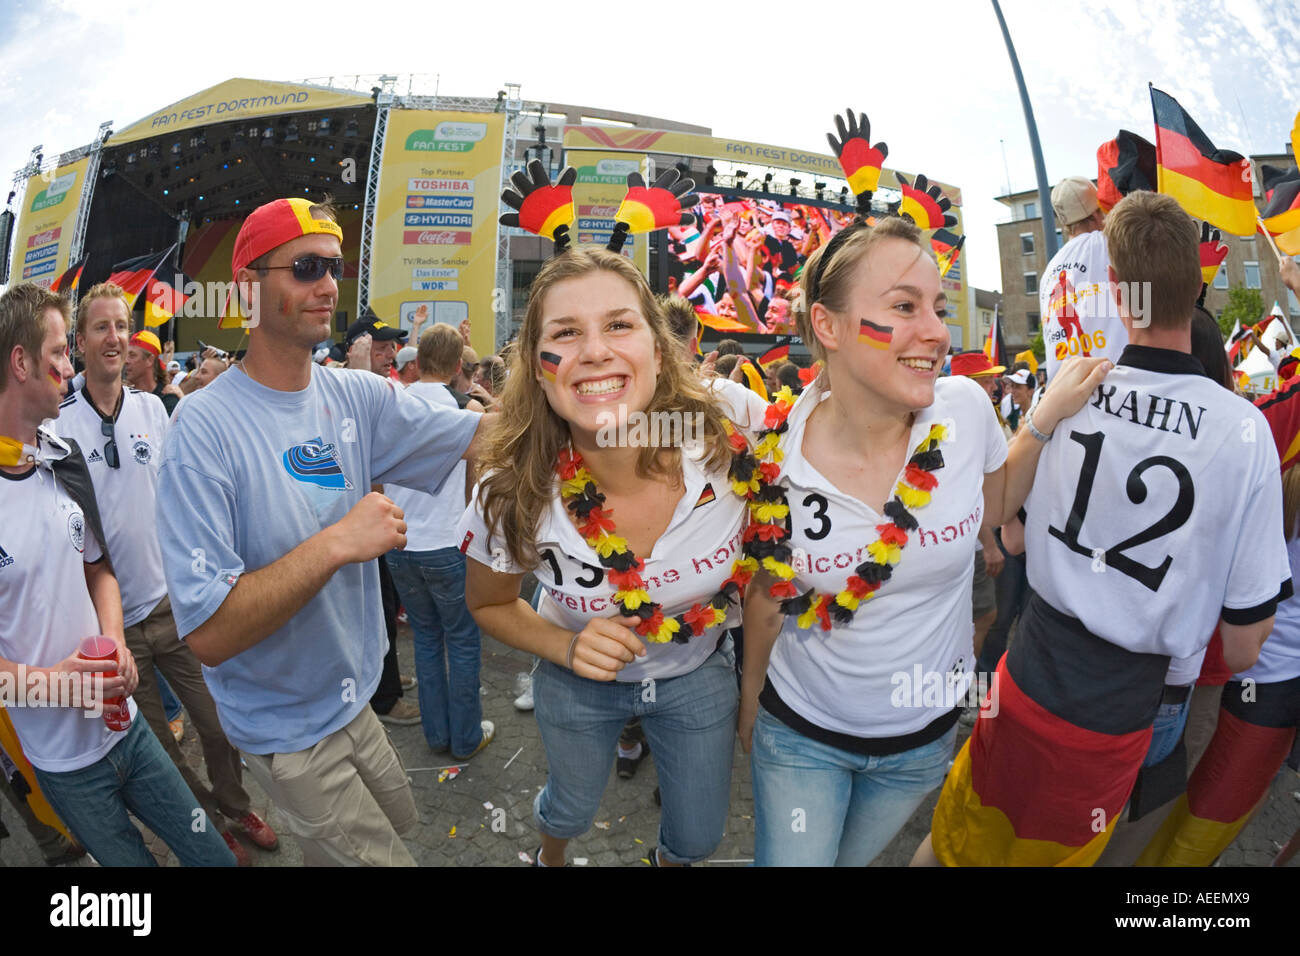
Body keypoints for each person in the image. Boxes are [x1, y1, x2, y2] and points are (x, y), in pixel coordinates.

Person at [920, 190, 1291, 867]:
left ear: (1116, 291)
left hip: (1030, 669)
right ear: (1200, 282)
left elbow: (1009, 534)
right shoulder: (1244, 433)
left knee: (957, 841)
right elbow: (1243, 649)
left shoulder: (1069, 391)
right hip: (1126, 704)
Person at [737, 215, 1106, 867]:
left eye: (937, 308)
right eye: (904, 307)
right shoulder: (775, 461)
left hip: (921, 746)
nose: (937, 332)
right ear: (828, 326)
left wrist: (1043, 417)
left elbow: (997, 507)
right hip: (800, 738)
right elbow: (766, 599)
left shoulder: (963, 407)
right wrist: (748, 710)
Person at [156, 197, 488, 866]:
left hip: (354, 697)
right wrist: (338, 541)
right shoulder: (201, 430)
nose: (328, 285)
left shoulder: (353, 395)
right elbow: (211, 634)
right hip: (284, 731)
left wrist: (595, 409)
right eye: (305, 267)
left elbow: (482, 437)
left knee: (396, 823)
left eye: (333, 267)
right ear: (249, 288)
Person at [461, 247, 759, 867]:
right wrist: (567, 647)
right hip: (574, 685)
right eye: (565, 334)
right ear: (538, 368)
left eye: (619, 325)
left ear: (658, 345)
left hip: (697, 673)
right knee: (568, 808)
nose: (594, 351)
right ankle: (551, 858)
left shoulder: (730, 442)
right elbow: (488, 602)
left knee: (700, 839)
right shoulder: (511, 485)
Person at [0, 282, 234, 867]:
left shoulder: (59, 454)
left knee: (214, 858)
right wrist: (59, 684)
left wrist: (115, 644)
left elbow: (98, 566)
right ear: (21, 362)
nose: (66, 368)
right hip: (64, 763)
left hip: (124, 725)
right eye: (57, 353)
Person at [53, 282, 278, 866]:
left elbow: (187, 496)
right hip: (115, 627)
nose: (114, 338)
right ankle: (207, 824)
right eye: (101, 328)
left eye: (121, 327)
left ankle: (235, 804)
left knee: (219, 722)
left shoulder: (154, 410)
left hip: (175, 607)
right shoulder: (58, 426)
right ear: (79, 342)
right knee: (158, 746)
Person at [384, 324, 493, 759]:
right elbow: (474, 485)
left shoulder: (390, 407)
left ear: (419, 359)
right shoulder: (463, 414)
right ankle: (464, 737)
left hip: (400, 543)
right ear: (454, 367)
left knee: (427, 638)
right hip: (446, 543)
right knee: (462, 639)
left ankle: (437, 734)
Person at [1040, 176, 1127, 381]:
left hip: (1066, 397)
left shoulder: (1049, 271)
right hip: (1117, 386)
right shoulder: (1111, 243)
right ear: (1098, 214)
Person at [125, 330, 180, 416]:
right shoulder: (123, 397)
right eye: (126, 355)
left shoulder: (167, 400)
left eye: (132, 355)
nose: (126, 361)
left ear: (150, 360)